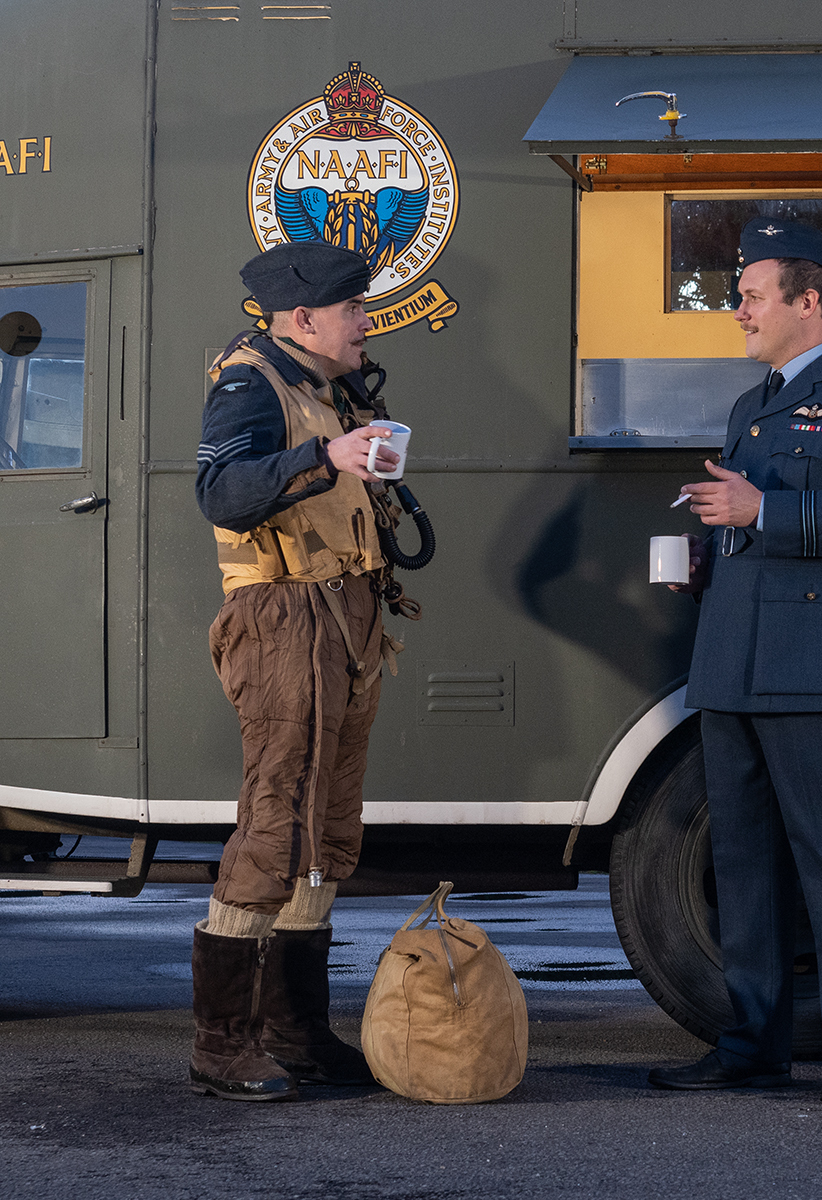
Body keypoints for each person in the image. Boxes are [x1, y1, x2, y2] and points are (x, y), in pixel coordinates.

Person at [649, 219, 822, 1104]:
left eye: (751, 295)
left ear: (809, 302)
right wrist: (710, 551)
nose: (738, 310)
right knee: (743, 866)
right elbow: (754, 526)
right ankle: (751, 1044)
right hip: (733, 663)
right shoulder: (751, 404)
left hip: (817, 668)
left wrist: (761, 511)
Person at [191, 242, 404, 1101]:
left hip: (345, 616)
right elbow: (222, 492)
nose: (365, 320)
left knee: (329, 823)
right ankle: (222, 1044)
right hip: (284, 620)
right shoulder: (251, 382)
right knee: (276, 819)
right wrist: (327, 460)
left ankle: (295, 1029)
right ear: (304, 317)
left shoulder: (324, 384)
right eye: (353, 308)